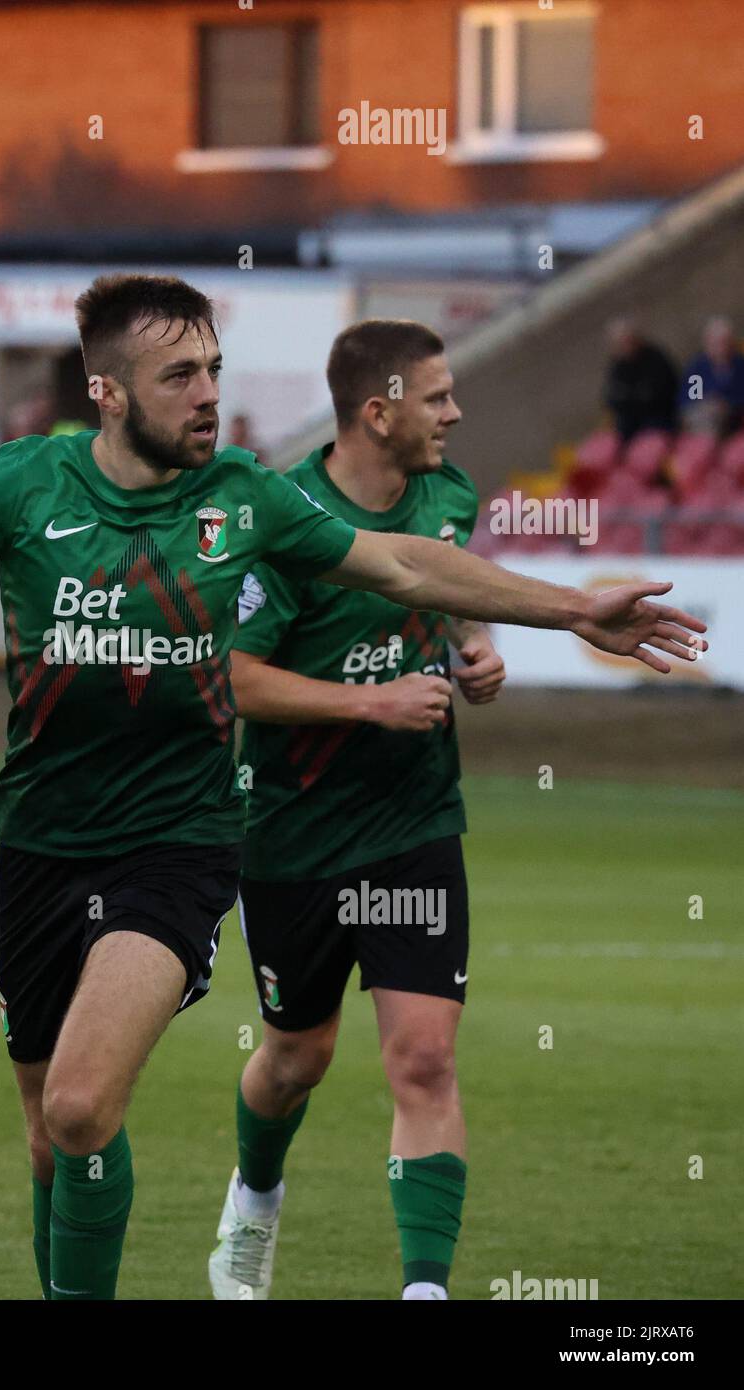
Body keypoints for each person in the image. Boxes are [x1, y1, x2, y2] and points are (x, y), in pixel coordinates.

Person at [0, 274, 706, 1301]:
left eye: (214, 368)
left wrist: (569, 607)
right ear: (108, 391)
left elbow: (402, 558)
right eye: (180, 373)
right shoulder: (20, 487)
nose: (208, 392)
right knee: (51, 1140)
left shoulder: (244, 494)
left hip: (179, 845)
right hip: (39, 844)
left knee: (85, 1107)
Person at [208, 319, 504, 1302]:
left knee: (421, 1058)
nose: (455, 412)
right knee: (296, 1056)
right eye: (436, 397)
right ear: (377, 413)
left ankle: (424, 1290)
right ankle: (253, 1194)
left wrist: (473, 646)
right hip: (292, 833)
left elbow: (451, 586)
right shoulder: (283, 521)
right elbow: (232, 679)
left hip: (414, 824)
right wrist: (367, 702)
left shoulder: (448, 495)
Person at [603, 319, 679, 442]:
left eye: (627, 341)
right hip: (631, 421)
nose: (624, 346)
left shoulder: (655, 358)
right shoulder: (617, 366)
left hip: (660, 418)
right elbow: (611, 398)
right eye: (619, 343)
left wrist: (631, 398)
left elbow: (660, 393)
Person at [681, 317, 744, 439]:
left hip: (735, 421)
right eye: (715, 343)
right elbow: (689, 400)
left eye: (724, 342)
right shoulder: (698, 369)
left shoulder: (739, 366)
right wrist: (707, 403)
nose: (721, 347)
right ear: (707, 344)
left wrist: (728, 403)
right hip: (705, 422)